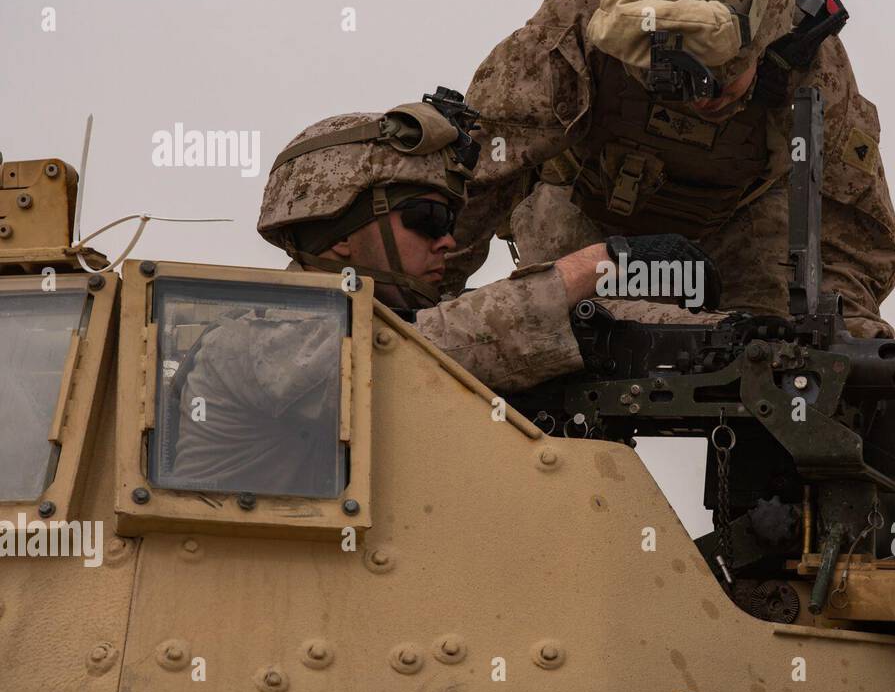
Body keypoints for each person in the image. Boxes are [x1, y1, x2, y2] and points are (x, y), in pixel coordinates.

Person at [166, 92, 721, 492]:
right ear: (337, 235)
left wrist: (720, 333)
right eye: (427, 218)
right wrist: (602, 262)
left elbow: (493, 329)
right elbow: (409, 351)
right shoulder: (247, 345)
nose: (449, 240)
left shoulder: (410, 323)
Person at [444, 0, 895, 339]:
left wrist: (840, 337)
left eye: (718, 86)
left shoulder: (809, 59)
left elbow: (853, 230)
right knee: (555, 343)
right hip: (584, 209)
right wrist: (425, 312)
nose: (696, 101)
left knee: (768, 353)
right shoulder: (579, 17)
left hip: (737, 224)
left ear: (764, 46)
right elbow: (479, 169)